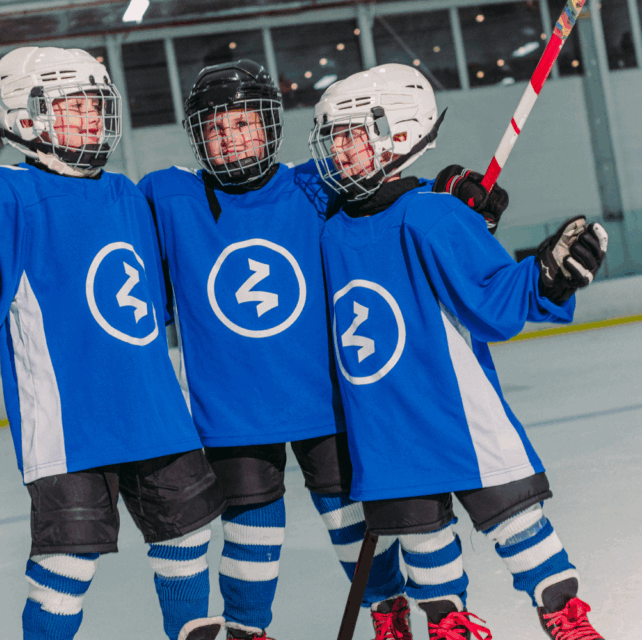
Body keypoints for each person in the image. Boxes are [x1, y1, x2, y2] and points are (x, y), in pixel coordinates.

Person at [138, 60, 507, 640]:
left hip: (330, 402)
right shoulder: (169, 195)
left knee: (351, 524)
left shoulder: (315, 184)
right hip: (232, 412)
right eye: (214, 127)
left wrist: (452, 190)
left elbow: (384, 193)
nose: (230, 138)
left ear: (270, 124)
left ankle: (387, 607)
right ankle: (246, 629)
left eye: (243, 123)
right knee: (249, 531)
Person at [0, 46, 227, 640]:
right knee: (68, 563)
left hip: (155, 412)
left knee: (187, 535)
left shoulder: (126, 193)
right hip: (69, 426)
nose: (93, 118)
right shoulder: (5, 193)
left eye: (96, 104)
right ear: (22, 116)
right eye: (74, 107)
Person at [310, 63, 608, 640]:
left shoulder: (433, 214)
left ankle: (562, 612)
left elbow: (492, 300)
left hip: (459, 414)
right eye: (333, 138)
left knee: (517, 521)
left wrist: (546, 278)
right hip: (385, 424)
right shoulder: (331, 229)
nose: (338, 151)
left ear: (399, 133)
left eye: (350, 135)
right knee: (422, 540)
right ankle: (449, 625)